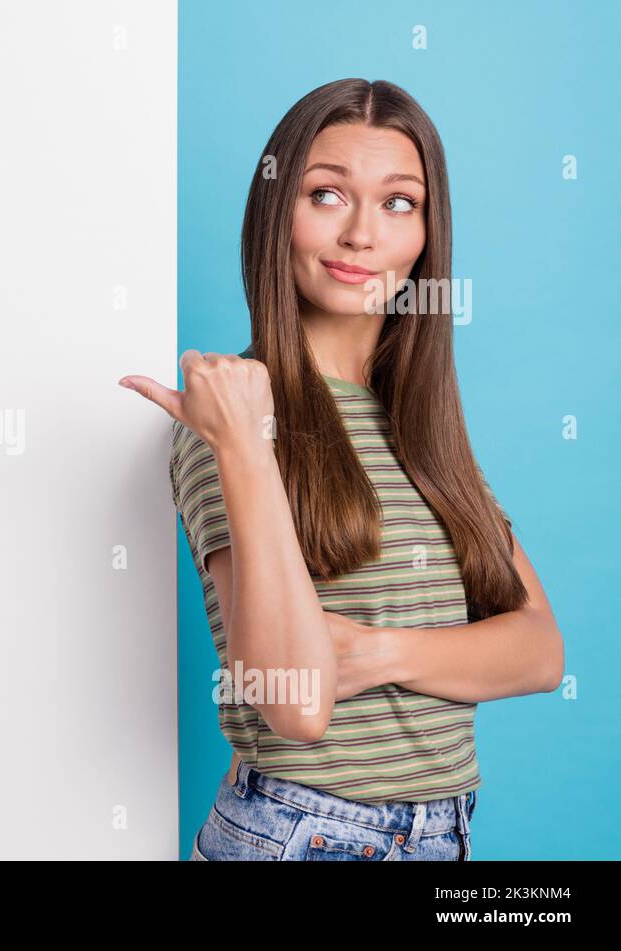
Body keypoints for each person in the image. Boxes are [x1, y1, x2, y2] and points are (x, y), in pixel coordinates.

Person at [118, 78, 564, 861]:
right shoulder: (229, 418)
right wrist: (246, 445)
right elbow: (296, 703)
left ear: (428, 232)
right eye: (327, 194)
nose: (362, 234)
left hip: (443, 832)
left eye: (398, 202)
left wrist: (376, 649)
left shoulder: (423, 428)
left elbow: (537, 650)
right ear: (276, 212)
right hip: (303, 834)